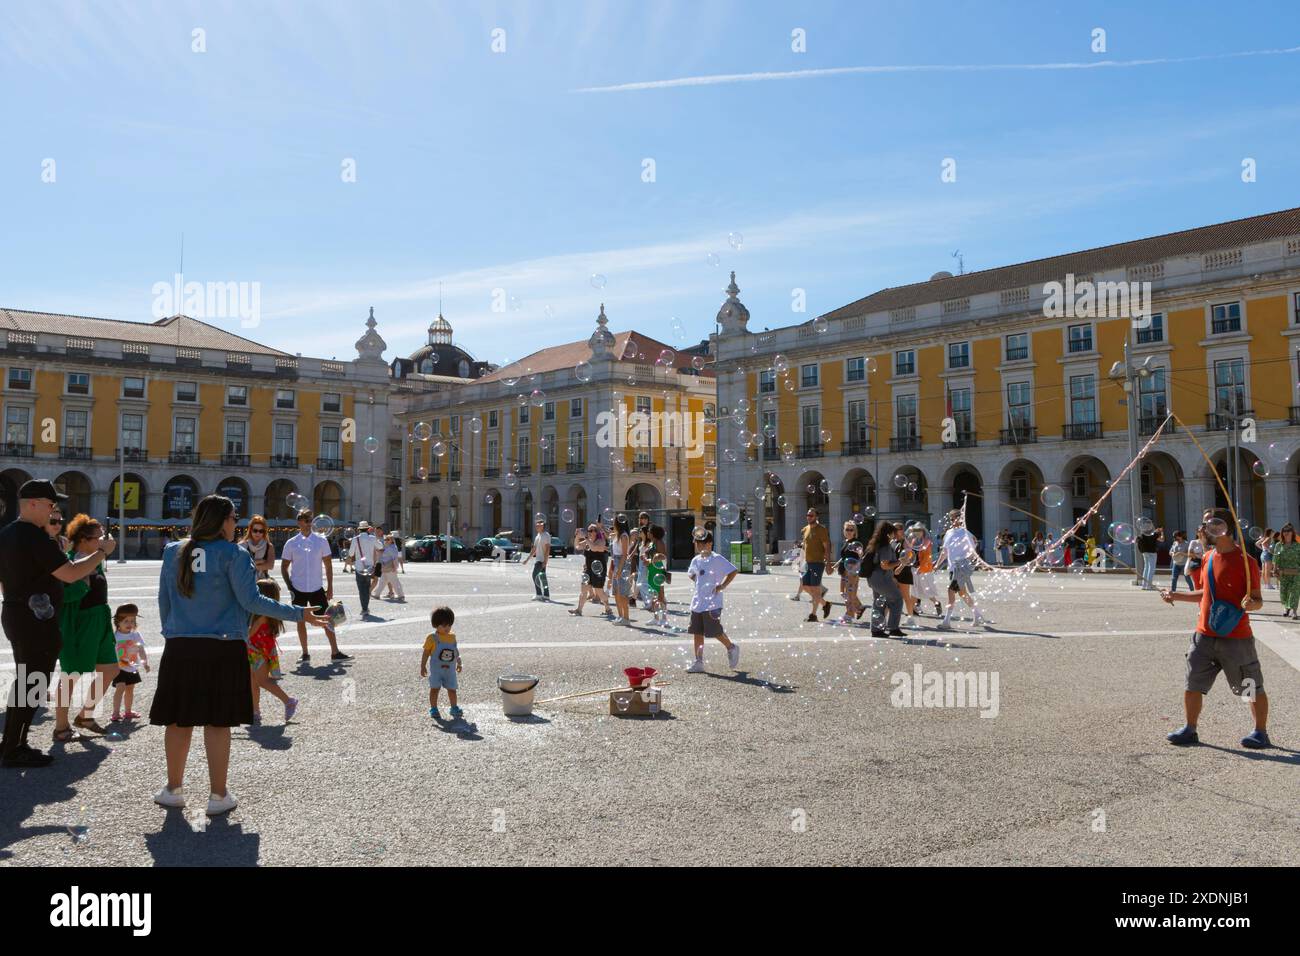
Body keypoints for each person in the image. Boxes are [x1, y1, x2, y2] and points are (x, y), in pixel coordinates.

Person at [152, 495, 332, 813]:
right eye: (235, 517)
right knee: (217, 722)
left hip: (180, 645)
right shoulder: (233, 554)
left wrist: (173, 632)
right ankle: (217, 796)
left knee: (179, 720)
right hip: (222, 645)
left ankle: (173, 788)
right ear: (222, 521)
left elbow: (164, 600)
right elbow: (253, 601)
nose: (238, 523)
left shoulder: (172, 552)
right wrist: (299, 614)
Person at [0, 482, 115, 767]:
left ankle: (12, 742)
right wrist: (102, 553)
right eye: (51, 505)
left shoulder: (7, 533)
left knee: (26, 681)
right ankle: (15, 748)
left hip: (16, 614)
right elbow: (71, 573)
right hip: (37, 620)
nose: (54, 510)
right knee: (32, 683)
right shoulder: (34, 537)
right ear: (33, 503)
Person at [1159, 509, 1271, 749]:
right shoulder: (1209, 557)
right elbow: (1205, 594)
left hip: (1236, 637)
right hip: (1204, 634)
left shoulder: (1246, 561)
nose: (1203, 528)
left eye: (1210, 523)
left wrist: (1253, 604)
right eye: (1204, 523)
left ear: (1225, 528)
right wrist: (1175, 595)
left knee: (1250, 686)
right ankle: (1190, 729)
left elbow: (1257, 599)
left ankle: (1260, 732)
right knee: (1192, 683)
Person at [51, 514, 122, 741]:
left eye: (102, 538)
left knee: (110, 669)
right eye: (97, 538)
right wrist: (84, 581)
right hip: (78, 623)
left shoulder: (93, 558)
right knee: (71, 675)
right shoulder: (69, 561)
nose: (102, 542)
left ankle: (85, 715)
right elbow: (63, 596)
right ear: (82, 539)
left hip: (99, 619)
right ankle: (61, 727)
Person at [280, 509, 349, 662]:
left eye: (310, 519)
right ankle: (305, 653)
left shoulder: (321, 541)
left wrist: (330, 587)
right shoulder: (291, 543)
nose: (309, 522)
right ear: (299, 522)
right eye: (305, 519)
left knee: (327, 619)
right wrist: (290, 587)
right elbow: (284, 566)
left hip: (317, 587)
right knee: (300, 622)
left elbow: (328, 565)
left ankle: (335, 652)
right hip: (298, 588)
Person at [684, 529, 741, 673]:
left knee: (715, 631)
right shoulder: (696, 560)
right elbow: (691, 574)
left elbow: (733, 571)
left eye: (702, 543)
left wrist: (722, 585)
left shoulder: (717, 559)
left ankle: (731, 647)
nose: (699, 546)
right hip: (698, 601)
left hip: (713, 602)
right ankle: (698, 662)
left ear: (709, 544)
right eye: (697, 543)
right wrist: (698, 580)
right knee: (697, 632)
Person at [247, 579, 297, 725]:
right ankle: (255, 712)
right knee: (253, 682)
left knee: (262, 681)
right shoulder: (268, 613)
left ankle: (288, 701)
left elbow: (250, 633)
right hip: (257, 650)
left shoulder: (262, 616)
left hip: (258, 651)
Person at [937, 510, 985, 629]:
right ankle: (977, 614)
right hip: (952, 568)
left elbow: (973, 550)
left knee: (950, 591)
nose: (954, 521)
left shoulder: (965, 533)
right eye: (952, 518)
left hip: (960, 568)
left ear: (961, 519)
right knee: (962, 593)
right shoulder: (948, 533)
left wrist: (968, 562)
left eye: (956, 518)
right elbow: (945, 551)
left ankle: (947, 621)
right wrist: (937, 564)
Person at [420, 606, 463, 720]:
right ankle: (433, 708)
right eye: (444, 626)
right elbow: (426, 653)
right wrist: (422, 665)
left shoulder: (452, 637)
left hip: (450, 670)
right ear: (435, 625)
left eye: (449, 625)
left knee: (452, 689)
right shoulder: (432, 638)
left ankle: (454, 707)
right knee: (435, 688)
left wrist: (459, 661)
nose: (447, 628)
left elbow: (455, 651)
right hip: (436, 671)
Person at [864, 522, 905, 637]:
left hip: (873, 578)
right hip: (882, 578)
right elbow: (884, 565)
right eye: (893, 532)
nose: (894, 535)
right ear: (888, 533)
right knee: (897, 598)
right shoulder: (886, 547)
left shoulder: (875, 544)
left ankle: (876, 630)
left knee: (879, 603)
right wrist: (899, 561)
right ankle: (893, 628)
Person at [110, 603, 149, 722]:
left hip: (132, 667)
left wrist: (145, 662)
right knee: (120, 687)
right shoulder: (115, 636)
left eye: (132, 621)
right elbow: (109, 651)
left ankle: (128, 711)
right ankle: (115, 713)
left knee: (130, 689)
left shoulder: (135, 635)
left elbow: (140, 649)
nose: (129, 624)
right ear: (118, 622)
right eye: (126, 621)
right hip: (119, 668)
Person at [798, 509, 833, 621]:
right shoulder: (806, 529)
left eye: (811, 515)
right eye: (807, 515)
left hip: (818, 563)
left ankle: (813, 615)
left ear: (816, 517)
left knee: (815, 589)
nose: (809, 517)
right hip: (808, 563)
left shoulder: (821, 530)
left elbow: (827, 548)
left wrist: (828, 564)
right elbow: (805, 546)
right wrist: (800, 560)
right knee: (804, 586)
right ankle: (825, 604)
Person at [570, 524, 611, 616]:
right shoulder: (587, 542)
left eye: (593, 530)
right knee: (584, 589)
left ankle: (608, 608)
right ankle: (579, 610)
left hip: (598, 570)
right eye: (589, 531)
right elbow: (577, 546)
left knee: (599, 591)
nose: (591, 532)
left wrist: (585, 537)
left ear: (597, 532)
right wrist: (577, 536)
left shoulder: (601, 541)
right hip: (588, 569)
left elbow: (594, 548)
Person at [347, 520, 381, 618]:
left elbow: (350, 554)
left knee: (361, 589)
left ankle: (364, 608)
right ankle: (365, 608)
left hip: (359, 567)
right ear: (368, 529)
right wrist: (374, 537)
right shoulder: (372, 538)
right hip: (369, 567)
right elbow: (380, 546)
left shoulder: (355, 539)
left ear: (359, 529)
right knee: (367, 588)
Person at [835, 520, 865, 625]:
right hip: (844, 570)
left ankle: (849, 614)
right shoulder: (846, 542)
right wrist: (836, 565)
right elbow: (844, 557)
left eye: (851, 530)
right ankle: (859, 607)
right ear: (844, 530)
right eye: (847, 529)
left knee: (849, 593)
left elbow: (861, 556)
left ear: (854, 531)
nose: (849, 531)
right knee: (845, 593)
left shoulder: (856, 543)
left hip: (852, 571)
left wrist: (860, 556)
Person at [609, 514, 635, 626]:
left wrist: (619, 570)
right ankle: (620, 616)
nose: (613, 523)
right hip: (617, 563)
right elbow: (607, 535)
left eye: (614, 522)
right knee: (616, 592)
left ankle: (626, 618)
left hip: (622, 564)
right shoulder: (617, 535)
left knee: (623, 593)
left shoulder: (624, 536)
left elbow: (624, 555)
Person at [1273, 525, 1300, 617]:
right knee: (1284, 592)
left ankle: (1294, 611)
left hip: (1296, 572)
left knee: (1294, 592)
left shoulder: (1297, 545)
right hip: (1283, 573)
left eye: (1289, 531)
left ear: (1293, 533)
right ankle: (1286, 607)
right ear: (1282, 533)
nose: (1287, 532)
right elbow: (1276, 558)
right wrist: (1274, 570)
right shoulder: (1278, 545)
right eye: (1285, 531)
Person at [238, 515, 276, 581]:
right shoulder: (241, 545)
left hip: (262, 583)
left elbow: (270, 565)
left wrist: (250, 565)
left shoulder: (269, 546)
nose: (258, 533)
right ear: (250, 530)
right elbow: (239, 565)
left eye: (261, 531)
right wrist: (260, 561)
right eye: (255, 530)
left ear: (264, 532)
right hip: (244, 582)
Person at [522, 517, 551, 601]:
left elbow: (547, 549)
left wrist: (545, 561)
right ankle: (546, 595)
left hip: (541, 560)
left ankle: (539, 594)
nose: (536, 527)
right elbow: (534, 549)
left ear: (542, 526)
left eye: (538, 525)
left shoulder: (546, 535)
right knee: (542, 577)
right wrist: (527, 559)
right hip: (539, 559)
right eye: (536, 525)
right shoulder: (538, 536)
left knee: (534, 575)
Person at [371, 533, 405, 602]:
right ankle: (377, 594)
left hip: (390, 568)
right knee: (382, 582)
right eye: (385, 539)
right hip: (385, 567)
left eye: (387, 539)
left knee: (395, 582)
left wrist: (394, 567)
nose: (385, 540)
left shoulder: (391, 548)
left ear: (391, 540)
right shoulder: (389, 546)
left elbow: (394, 558)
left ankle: (401, 595)